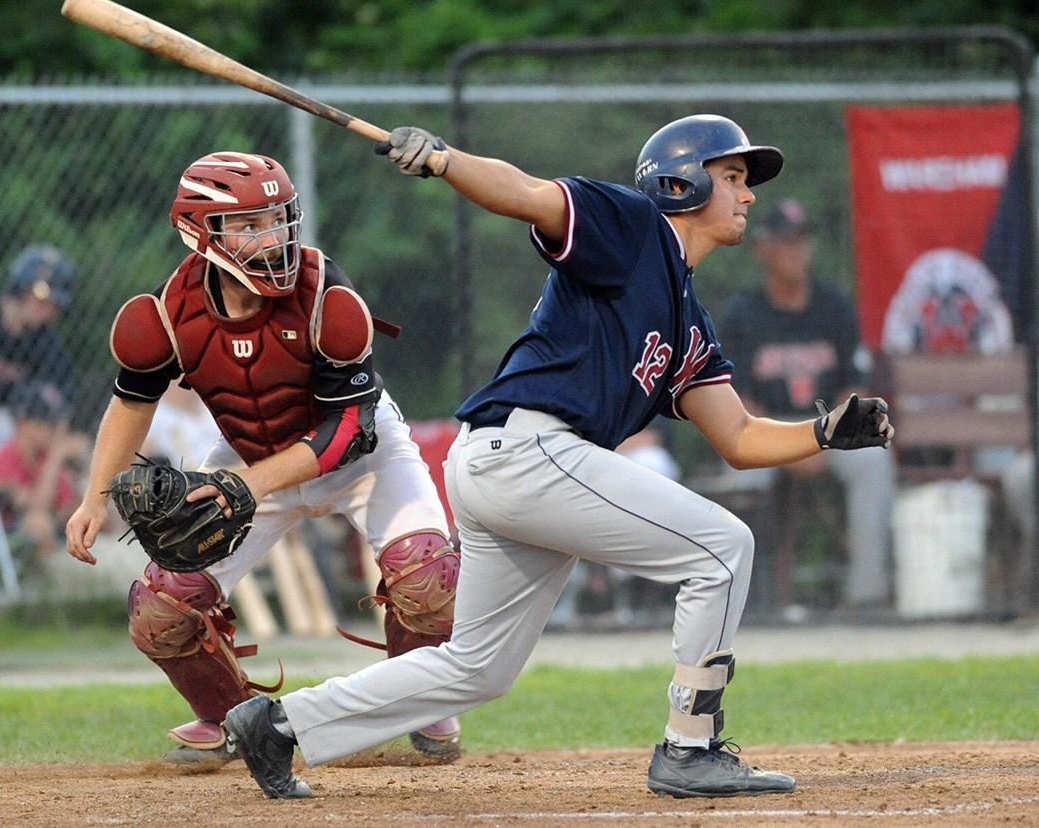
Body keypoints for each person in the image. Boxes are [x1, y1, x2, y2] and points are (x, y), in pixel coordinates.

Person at [223, 115, 893, 800]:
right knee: (722, 550)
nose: (747, 195)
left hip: (512, 463)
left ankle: (277, 724)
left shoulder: (688, 317)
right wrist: (446, 160)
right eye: (731, 177)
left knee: (478, 668)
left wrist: (822, 432)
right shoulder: (635, 226)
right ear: (680, 183)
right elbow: (527, 194)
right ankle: (690, 747)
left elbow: (740, 437)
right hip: (528, 450)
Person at [65, 151, 462, 765]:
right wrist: (95, 497)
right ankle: (233, 720)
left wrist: (248, 484)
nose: (272, 238)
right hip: (249, 457)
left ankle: (416, 698)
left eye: (277, 220)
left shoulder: (327, 296)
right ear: (200, 232)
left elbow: (348, 431)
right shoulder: (167, 313)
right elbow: (132, 403)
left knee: (428, 581)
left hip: (358, 452)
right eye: (249, 225)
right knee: (161, 610)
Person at [717, 199, 897, 609]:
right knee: (740, 474)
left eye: (803, 241)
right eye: (787, 242)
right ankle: (749, 600)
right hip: (765, 428)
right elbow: (735, 398)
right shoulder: (742, 314)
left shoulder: (834, 306)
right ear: (763, 249)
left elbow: (853, 388)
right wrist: (790, 445)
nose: (798, 251)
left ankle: (867, 597)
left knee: (873, 460)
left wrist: (825, 435)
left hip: (830, 426)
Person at [0, 381, 85, 567]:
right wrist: (57, 455)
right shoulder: (5, 458)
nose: (55, 430)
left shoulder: (44, 458)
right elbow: (39, 505)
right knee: (39, 522)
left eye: (57, 423)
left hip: (50, 530)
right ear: (23, 423)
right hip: (9, 537)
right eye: (48, 423)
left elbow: (71, 507)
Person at [0, 245, 79, 443]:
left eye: (54, 304)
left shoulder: (46, 345)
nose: (48, 310)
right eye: (41, 299)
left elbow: (65, 399)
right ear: (18, 290)